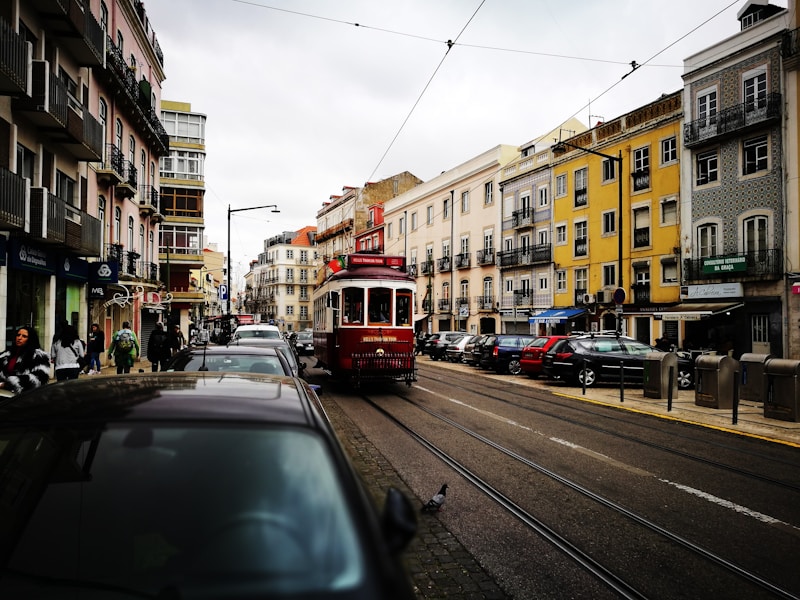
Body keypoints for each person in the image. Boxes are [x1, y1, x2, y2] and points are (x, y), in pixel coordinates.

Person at [0, 325, 51, 394]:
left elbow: (39, 379)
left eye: (24, 336)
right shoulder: (7, 354)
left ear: (30, 339)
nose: (19, 338)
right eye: (18, 335)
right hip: (5, 394)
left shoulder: (38, 356)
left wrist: (9, 383)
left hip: (26, 397)